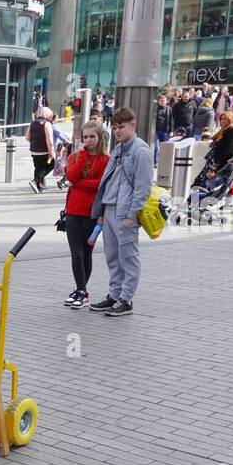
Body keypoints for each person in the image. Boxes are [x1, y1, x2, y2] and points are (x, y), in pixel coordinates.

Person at [89, 107, 152, 318]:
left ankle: (126, 299)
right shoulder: (118, 150)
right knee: (113, 257)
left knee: (128, 257)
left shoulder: (140, 151)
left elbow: (143, 187)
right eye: (115, 127)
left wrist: (131, 215)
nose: (117, 131)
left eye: (121, 127)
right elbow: (109, 183)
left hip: (124, 212)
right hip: (110, 210)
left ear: (133, 125)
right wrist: (102, 210)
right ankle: (115, 295)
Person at [61, 121, 109, 309]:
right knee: (76, 253)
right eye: (86, 137)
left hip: (91, 213)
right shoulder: (76, 156)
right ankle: (81, 291)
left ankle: (81, 291)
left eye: (92, 137)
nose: (88, 140)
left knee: (85, 253)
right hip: (73, 211)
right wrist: (81, 156)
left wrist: (79, 184)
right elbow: (71, 177)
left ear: (99, 138)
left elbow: (100, 185)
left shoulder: (106, 159)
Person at [27, 107, 54, 193]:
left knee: (38, 167)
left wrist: (34, 142)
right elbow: (49, 140)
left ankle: (38, 187)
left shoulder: (32, 123)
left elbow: (27, 137)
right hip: (44, 151)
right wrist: (51, 152)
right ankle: (35, 181)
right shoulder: (47, 124)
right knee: (50, 165)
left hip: (34, 150)